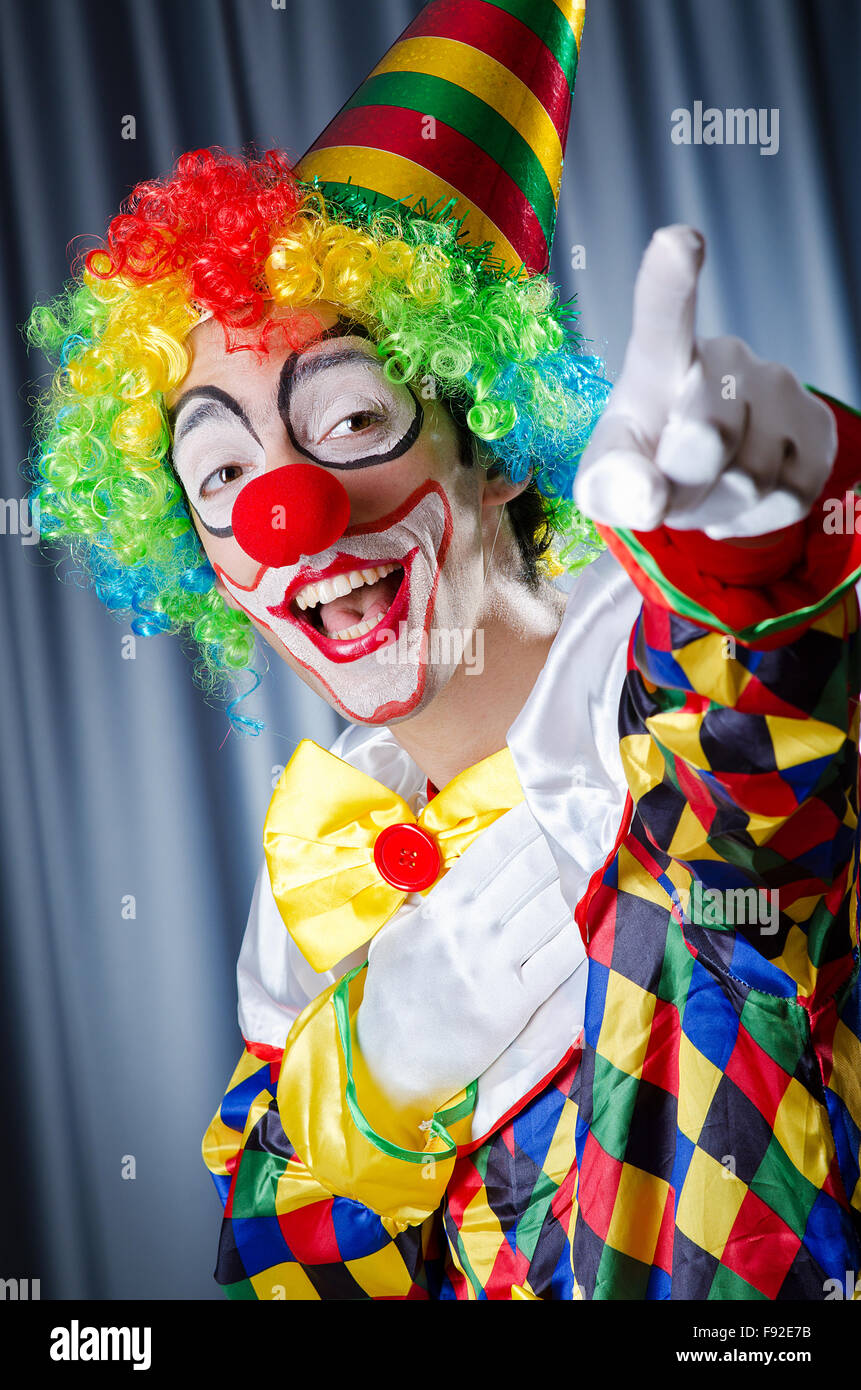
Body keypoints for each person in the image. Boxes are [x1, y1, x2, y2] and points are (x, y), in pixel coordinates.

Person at [26, 0, 861, 1300]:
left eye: (350, 418)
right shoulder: (320, 872)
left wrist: (746, 557)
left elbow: (756, 817)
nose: (283, 514)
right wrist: (367, 1077)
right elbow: (263, 1263)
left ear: (482, 431)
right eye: (219, 473)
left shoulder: (643, 697)